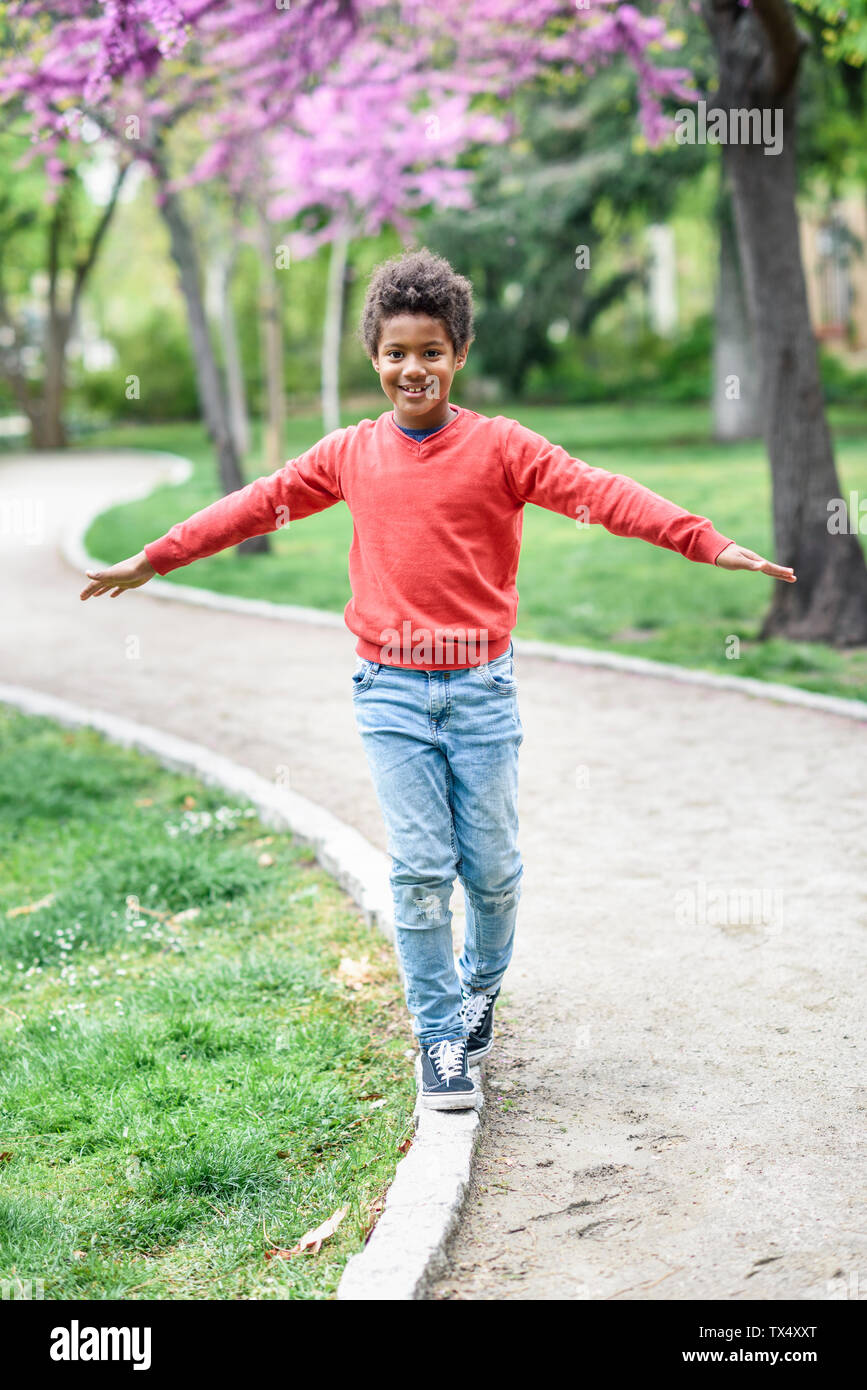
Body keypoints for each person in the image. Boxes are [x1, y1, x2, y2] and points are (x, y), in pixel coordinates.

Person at [80, 247, 797, 1111]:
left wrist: (702, 539)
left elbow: (599, 492)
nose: (411, 368)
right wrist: (154, 559)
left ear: (457, 354)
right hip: (388, 693)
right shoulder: (348, 454)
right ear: (373, 360)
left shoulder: (500, 447)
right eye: (394, 353)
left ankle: (478, 987)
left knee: (490, 871)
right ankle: (439, 1037)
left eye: (429, 351)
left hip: (480, 692)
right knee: (421, 872)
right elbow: (253, 502)